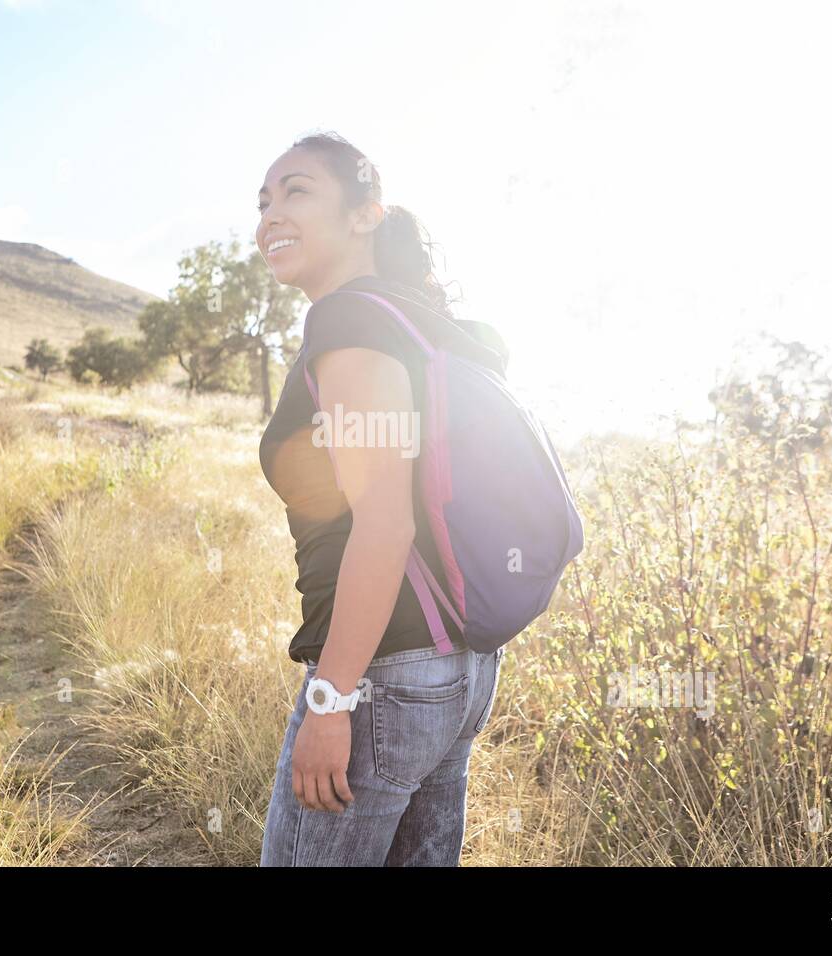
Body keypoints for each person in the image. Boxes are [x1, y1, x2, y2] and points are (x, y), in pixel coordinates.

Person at [256, 131, 508, 866]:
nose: (271, 214)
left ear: (366, 213)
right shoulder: (416, 324)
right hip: (460, 666)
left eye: (296, 191)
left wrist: (330, 703)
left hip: (382, 677)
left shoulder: (348, 322)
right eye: (263, 201)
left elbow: (384, 525)